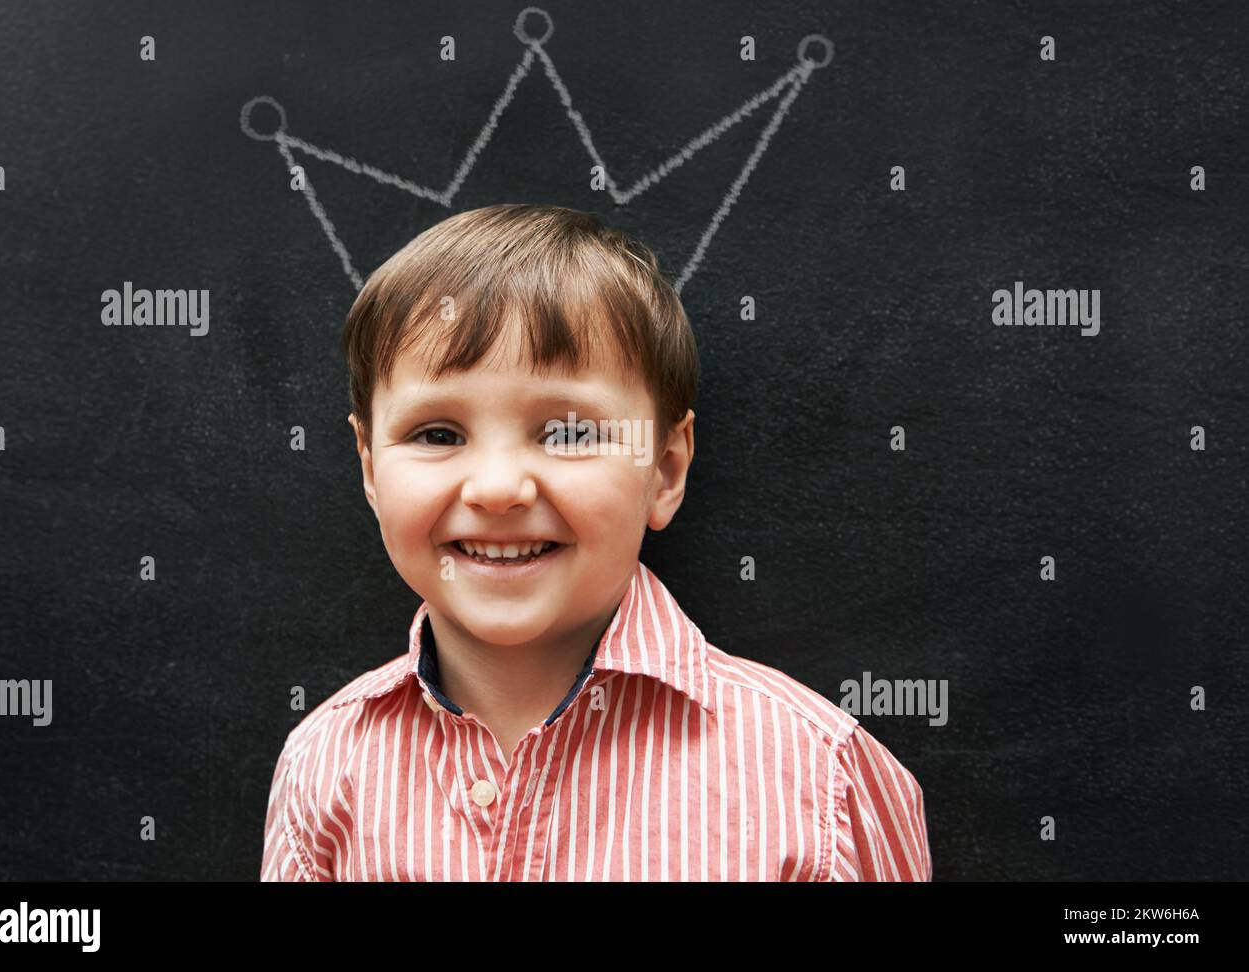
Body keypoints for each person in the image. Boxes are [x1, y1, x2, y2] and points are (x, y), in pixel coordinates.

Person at [261, 203, 931, 881]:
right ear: (371, 470)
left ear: (665, 470)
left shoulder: (818, 776)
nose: (497, 488)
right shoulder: (324, 766)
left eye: (571, 433)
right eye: (438, 434)